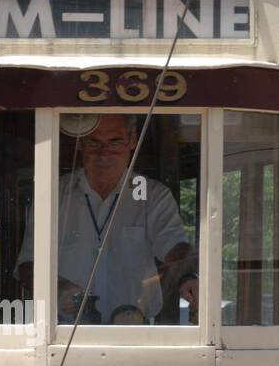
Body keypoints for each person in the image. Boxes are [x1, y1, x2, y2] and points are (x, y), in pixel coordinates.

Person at [17, 114, 198, 325]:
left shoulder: (153, 196)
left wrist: (188, 276)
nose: (104, 152)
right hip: (61, 330)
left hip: (133, 329)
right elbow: (27, 266)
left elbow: (174, 246)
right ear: (80, 143)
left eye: (115, 141)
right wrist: (57, 288)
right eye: (94, 142)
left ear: (132, 140)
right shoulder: (53, 193)